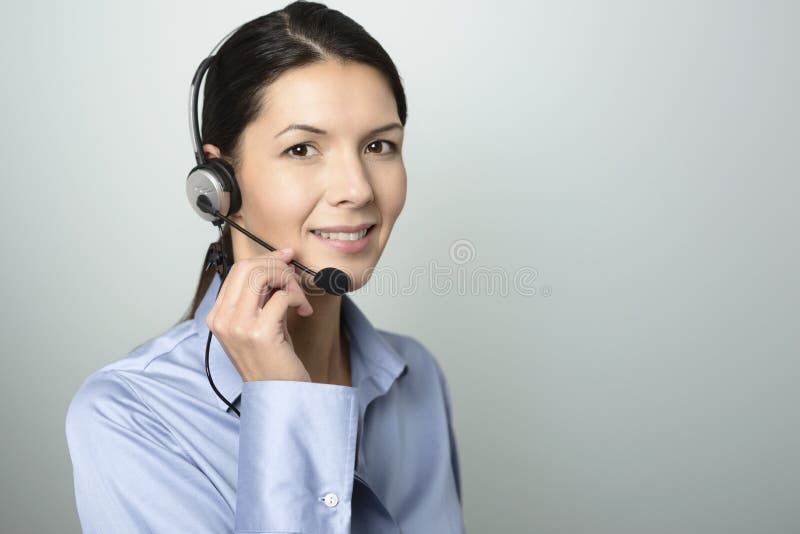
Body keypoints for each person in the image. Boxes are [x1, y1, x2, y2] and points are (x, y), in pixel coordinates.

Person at [64, 2, 465, 533]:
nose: (357, 189)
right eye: (302, 149)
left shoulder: (414, 376)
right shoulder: (132, 415)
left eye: (379, 145)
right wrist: (283, 403)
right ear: (218, 185)